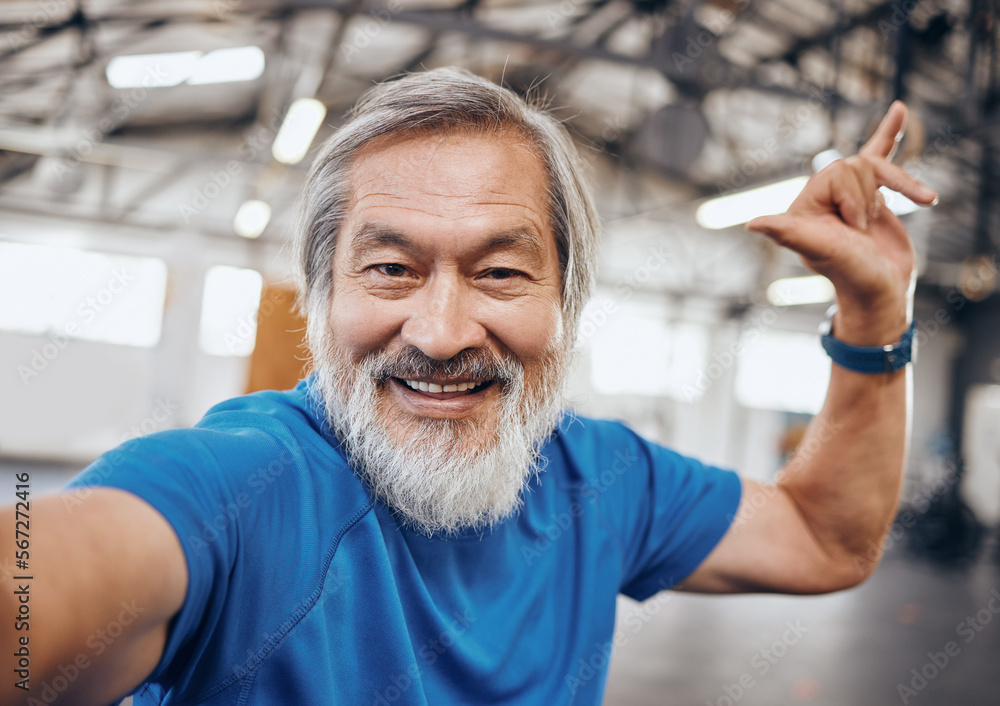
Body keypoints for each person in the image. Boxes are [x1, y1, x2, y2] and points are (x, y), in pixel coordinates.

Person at [0, 67, 937, 705]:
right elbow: (42, 585)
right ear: (321, 299)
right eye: (391, 270)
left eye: (500, 273)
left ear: (565, 303)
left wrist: (873, 312)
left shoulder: (600, 478)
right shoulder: (246, 486)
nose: (442, 333)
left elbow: (825, 539)